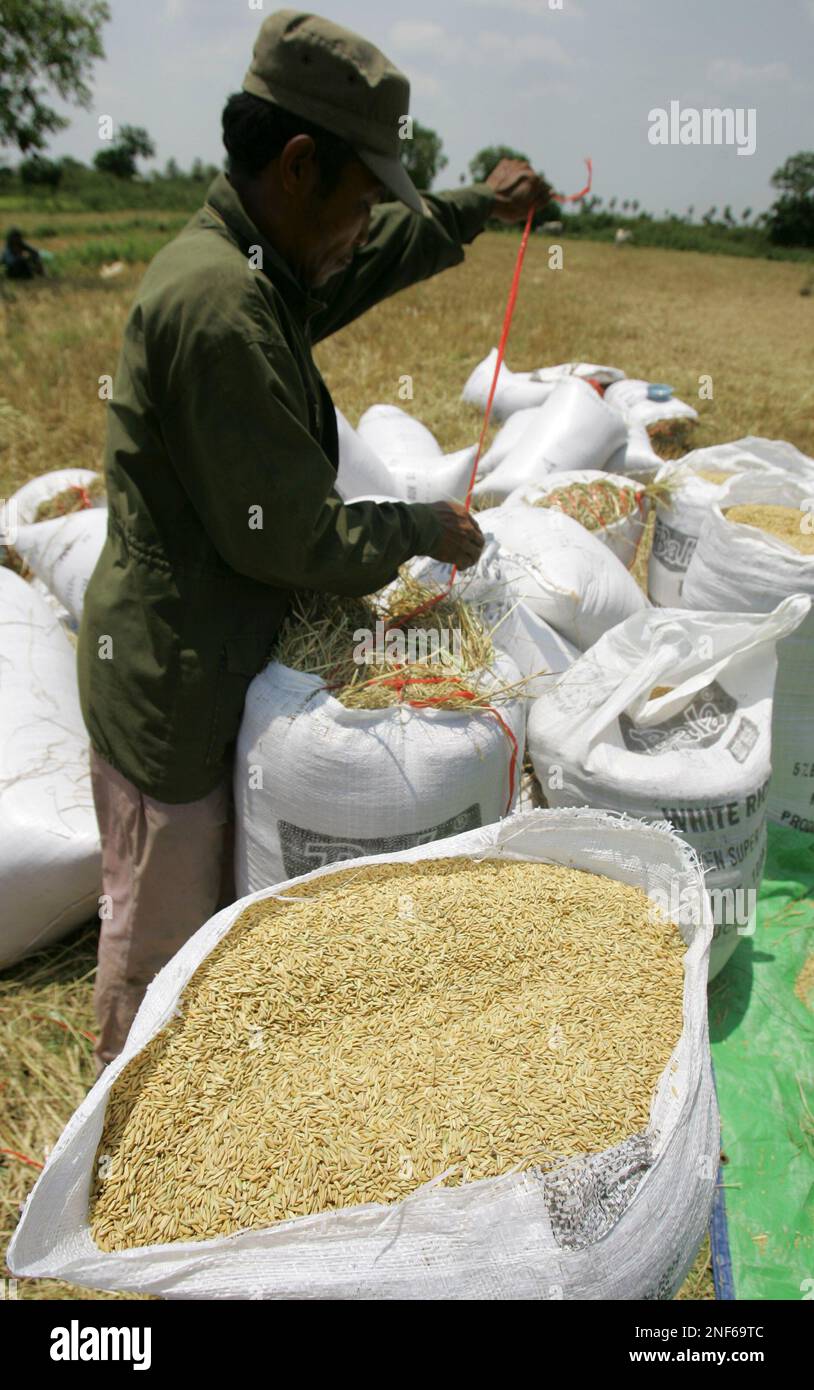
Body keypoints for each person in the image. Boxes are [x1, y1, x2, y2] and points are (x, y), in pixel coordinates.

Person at [77, 9, 552, 1072]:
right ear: (299, 168)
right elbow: (285, 536)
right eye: (360, 194)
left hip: (206, 653)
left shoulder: (262, 257)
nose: (366, 221)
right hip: (171, 687)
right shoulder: (226, 307)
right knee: (155, 951)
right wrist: (423, 529)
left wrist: (480, 205)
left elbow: (365, 255)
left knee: (216, 943)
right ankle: (113, 1163)